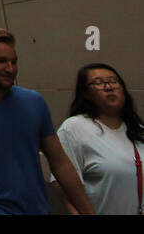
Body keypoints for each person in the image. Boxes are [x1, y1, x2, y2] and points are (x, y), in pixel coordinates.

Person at [0, 28, 94, 215]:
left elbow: (60, 162)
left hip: (37, 208)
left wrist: (88, 211)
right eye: (1, 61)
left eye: (14, 61)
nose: (10, 69)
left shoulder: (34, 102)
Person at [51, 63, 143, 215]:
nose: (108, 87)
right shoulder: (75, 128)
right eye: (98, 83)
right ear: (85, 93)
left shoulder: (138, 131)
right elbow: (61, 186)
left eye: (113, 81)